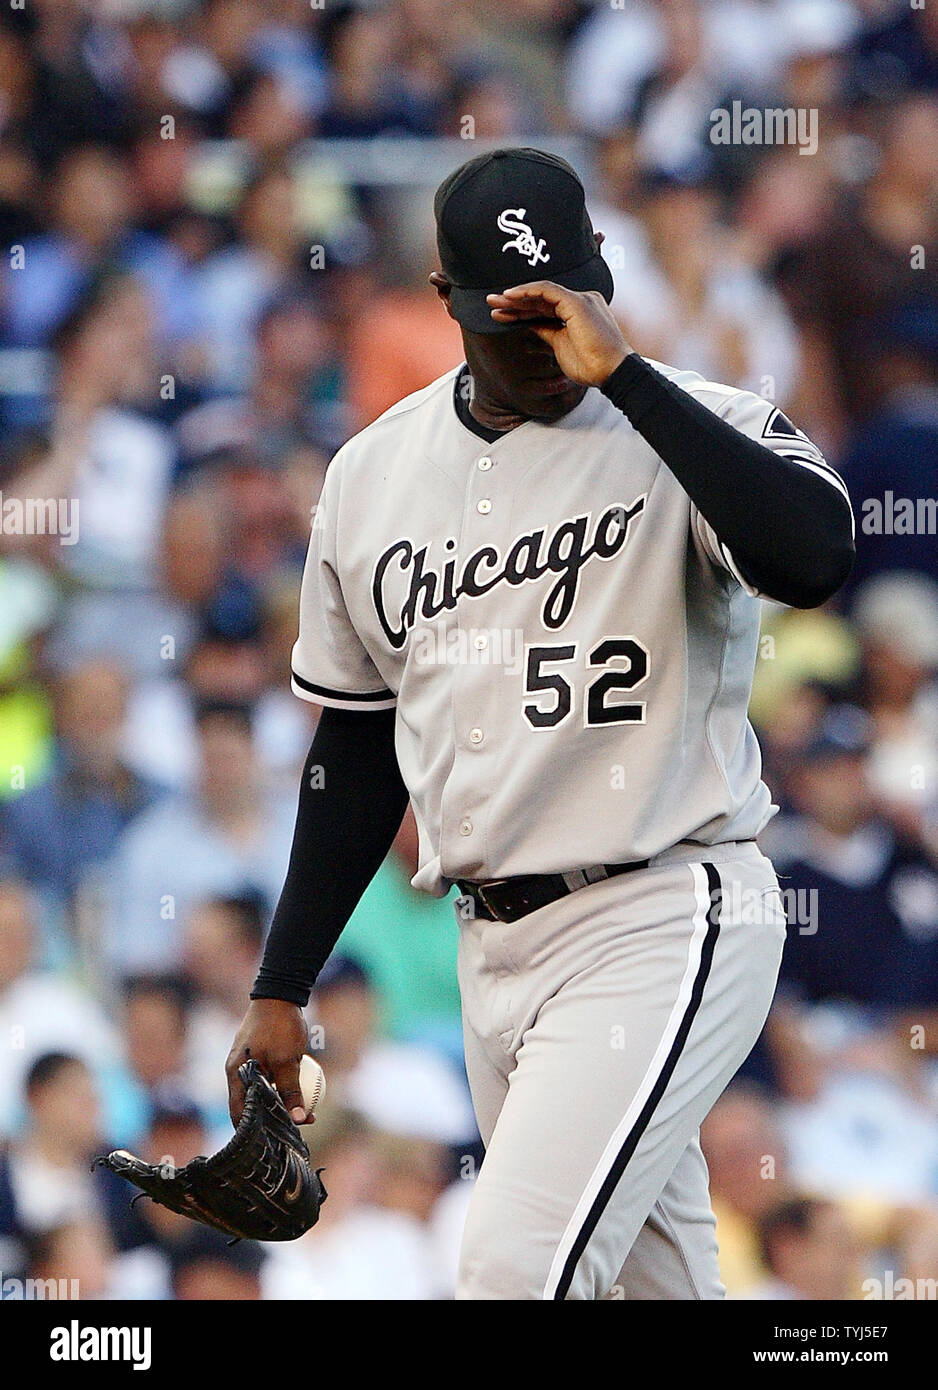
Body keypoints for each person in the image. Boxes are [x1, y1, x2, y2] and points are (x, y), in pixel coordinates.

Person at [226, 147, 854, 1301]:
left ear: (597, 278)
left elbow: (811, 556)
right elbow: (359, 747)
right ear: (444, 303)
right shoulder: (371, 476)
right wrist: (281, 983)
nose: (541, 345)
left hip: (661, 906)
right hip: (492, 942)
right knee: (641, 1290)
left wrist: (629, 379)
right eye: (507, 322)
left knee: (516, 1269)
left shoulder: (694, 423)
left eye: (557, 309)